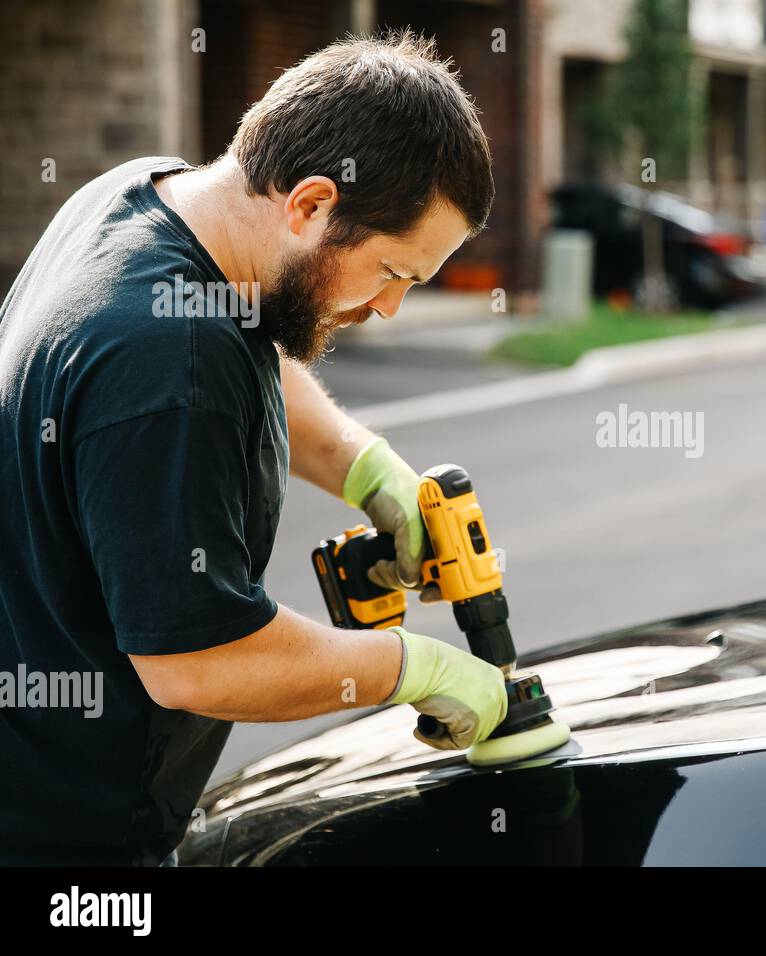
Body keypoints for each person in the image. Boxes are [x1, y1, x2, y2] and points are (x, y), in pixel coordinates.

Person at [0, 31, 507, 865]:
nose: (387, 309)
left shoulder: (146, 199)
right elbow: (199, 661)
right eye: (392, 271)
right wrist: (417, 669)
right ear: (310, 205)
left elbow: (254, 331)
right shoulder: (168, 366)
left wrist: (361, 464)